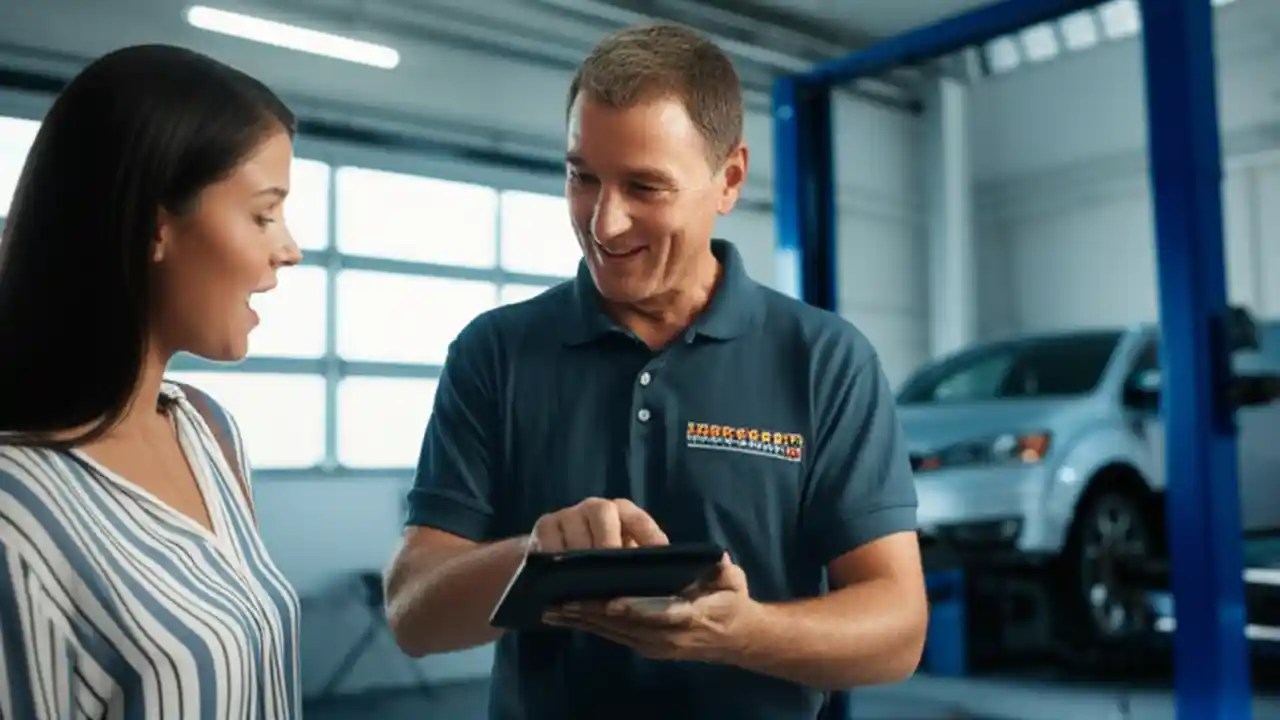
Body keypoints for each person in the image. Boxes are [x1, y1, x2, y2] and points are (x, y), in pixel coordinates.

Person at [385, 22, 927, 719]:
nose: (604, 224)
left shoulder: (825, 361)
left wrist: (740, 632)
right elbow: (411, 613)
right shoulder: (495, 352)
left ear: (728, 179)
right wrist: (540, 559)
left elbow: (898, 630)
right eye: (582, 177)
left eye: (644, 186)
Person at [0, 45, 303, 719]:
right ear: (154, 225)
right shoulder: (14, 515)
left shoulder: (208, 431)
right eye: (263, 213)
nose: (290, 247)